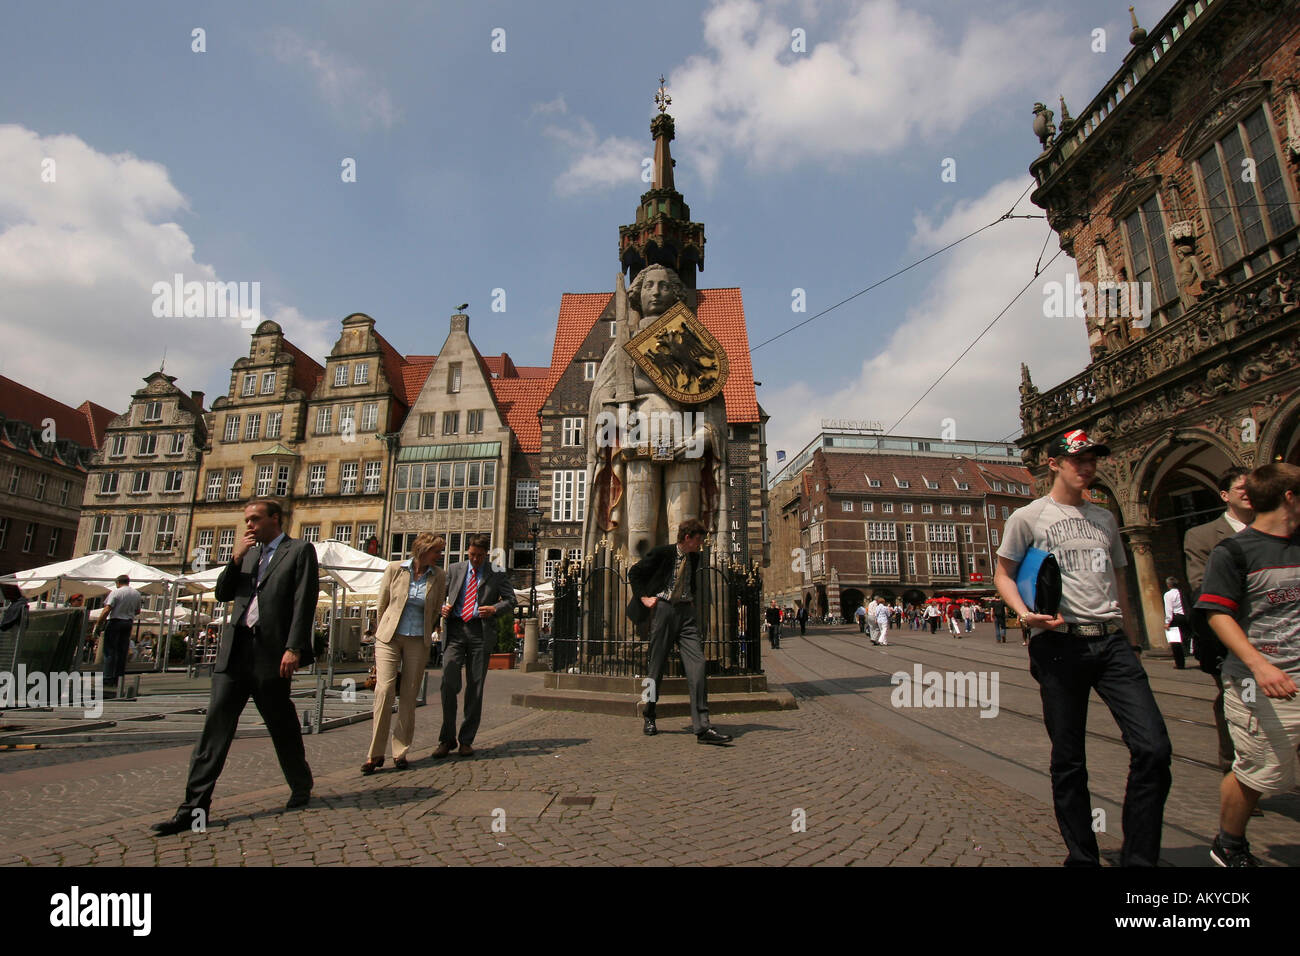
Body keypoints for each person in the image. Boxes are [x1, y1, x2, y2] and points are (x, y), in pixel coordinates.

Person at [995, 429, 1171, 867]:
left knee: (1153, 748)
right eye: (1078, 459)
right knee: (1069, 757)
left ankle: (1139, 859)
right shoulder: (1029, 517)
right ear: (1053, 463)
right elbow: (1003, 574)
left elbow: (1119, 581)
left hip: (1111, 643)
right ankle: (1082, 856)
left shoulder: (1106, 519)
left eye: (1092, 459)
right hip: (1058, 646)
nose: (1087, 467)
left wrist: (1130, 637)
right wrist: (1023, 613)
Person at [151, 499, 318, 836]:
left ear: (275, 519)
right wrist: (236, 558)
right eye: (246, 520)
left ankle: (300, 785)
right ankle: (193, 810)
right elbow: (223, 592)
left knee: (281, 725)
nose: (249, 525)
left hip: (270, 653)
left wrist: (294, 647)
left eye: (255, 519)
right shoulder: (248, 554)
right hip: (235, 652)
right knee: (215, 730)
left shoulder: (299, 551)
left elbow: (305, 600)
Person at [1196, 463, 1300, 867]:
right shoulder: (1235, 551)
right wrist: (1259, 666)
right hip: (1263, 683)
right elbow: (1218, 614)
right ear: (1289, 497)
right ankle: (1229, 844)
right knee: (1258, 773)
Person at [627, 518, 732, 745]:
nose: (700, 544)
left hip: (686, 615)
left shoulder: (695, 557)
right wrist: (644, 597)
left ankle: (703, 726)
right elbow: (634, 573)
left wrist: (690, 599)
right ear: (687, 538)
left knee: (698, 666)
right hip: (664, 612)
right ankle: (649, 715)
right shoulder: (663, 553)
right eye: (698, 540)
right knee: (654, 669)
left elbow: (690, 581)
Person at [1184, 466, 1254, 773]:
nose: (1249, 493)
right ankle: (1236, 768)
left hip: (1282, 636)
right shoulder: (1202, 536)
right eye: (1242, 488)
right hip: (1226, 635)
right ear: (1225, 496)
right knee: (1237, 701)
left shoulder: (1281, 531)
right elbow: (1201, 588)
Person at [362, 533, 447, 774]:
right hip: (389, 636)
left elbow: (435, 610)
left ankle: (400, 752)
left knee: (409, 695)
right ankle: (374, 754)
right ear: (423, 550)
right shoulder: (395, 569)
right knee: (385, 690)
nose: (439, 556)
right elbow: (382, 604)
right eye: (436, 551)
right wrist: (381, 631)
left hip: (417, 640)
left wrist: (427, 633)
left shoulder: (439, 576)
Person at [432, 534, 515, 758]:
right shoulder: (455, 569)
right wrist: (443, 607)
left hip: (480, 632)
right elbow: (440, 596)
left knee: (475, 688)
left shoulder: (496, 572)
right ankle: (446, 738)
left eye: (479, 556)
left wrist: (495, 609)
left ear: (486, 554)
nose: (475, 560)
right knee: (448, 684)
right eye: (471, 555)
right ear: (467, 552)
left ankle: (466, 740)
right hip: (456, 631)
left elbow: (511, 600)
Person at [96, 574, 142, 686]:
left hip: (115, 621)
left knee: (110, 651)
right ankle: (118, 678)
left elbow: (107, 609)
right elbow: (138, 611)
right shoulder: (136, 593)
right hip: (128, 623)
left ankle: (108, 678)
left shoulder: (116, 592)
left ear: (118, 583)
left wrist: (98, 624)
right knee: (122, 651)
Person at [1162, 576, 1188, 670]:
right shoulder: (1182, 592)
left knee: (1175, 642)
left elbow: (1168, 608)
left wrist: (1167, 621)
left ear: (1168, 585)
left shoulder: (1168, 595)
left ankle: (1180, 664)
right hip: (1185, 616)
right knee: (1187, 637)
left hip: (1175, 617)